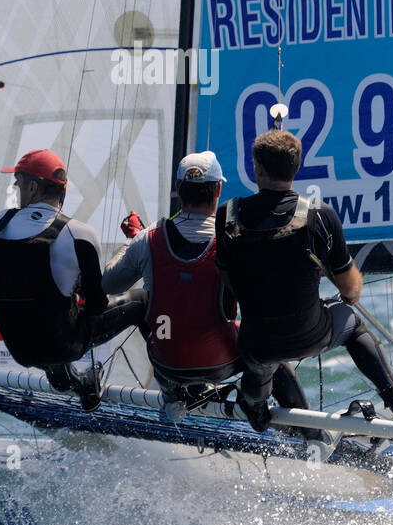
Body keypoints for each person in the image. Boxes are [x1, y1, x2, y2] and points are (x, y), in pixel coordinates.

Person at [215, 129, 393, 433]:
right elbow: (351, 291)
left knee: (259, 369)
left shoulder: (228, 215)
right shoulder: (319, 213)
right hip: (310, 334)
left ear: (257, 168)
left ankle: (260, 409)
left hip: (257, 344)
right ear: (296, 168)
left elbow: (228, 294)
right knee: (352, 324)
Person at [103, 151, 307, 421]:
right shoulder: (236, 239)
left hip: (167, 365)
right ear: (219, 189)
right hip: (221, 363)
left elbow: (108, 283)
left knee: (150, 308)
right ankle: (309, 433)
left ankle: (174, 397)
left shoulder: (147, 238)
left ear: (178, 189)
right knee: (271, 352)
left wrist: (134, 239)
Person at [0, 149, 144, 410]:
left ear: (32, 187)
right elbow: (97, 305)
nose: (16, 188)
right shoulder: (80, 233)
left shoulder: (2, 222)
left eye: (17, 182)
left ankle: (75, 384)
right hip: (65, 345)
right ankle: (174, 387)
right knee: (142, 300)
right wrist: (131, 243)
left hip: (20, 349)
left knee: (43, 316)